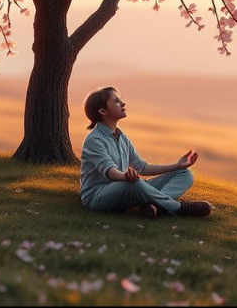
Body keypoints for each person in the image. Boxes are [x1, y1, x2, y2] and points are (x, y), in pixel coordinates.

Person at [79, 86, 213, 219]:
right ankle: (180, 208)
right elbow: (109, 171)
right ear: (102, 111)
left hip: (127, 187)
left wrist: (178, 165)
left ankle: (155, 206)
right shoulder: (94, 140)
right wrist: (126, 177)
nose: (123, 103)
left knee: (184, 174)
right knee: (134, 183)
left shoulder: (123, 138)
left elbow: (142, 167)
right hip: (98, 196)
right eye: (116, 101)